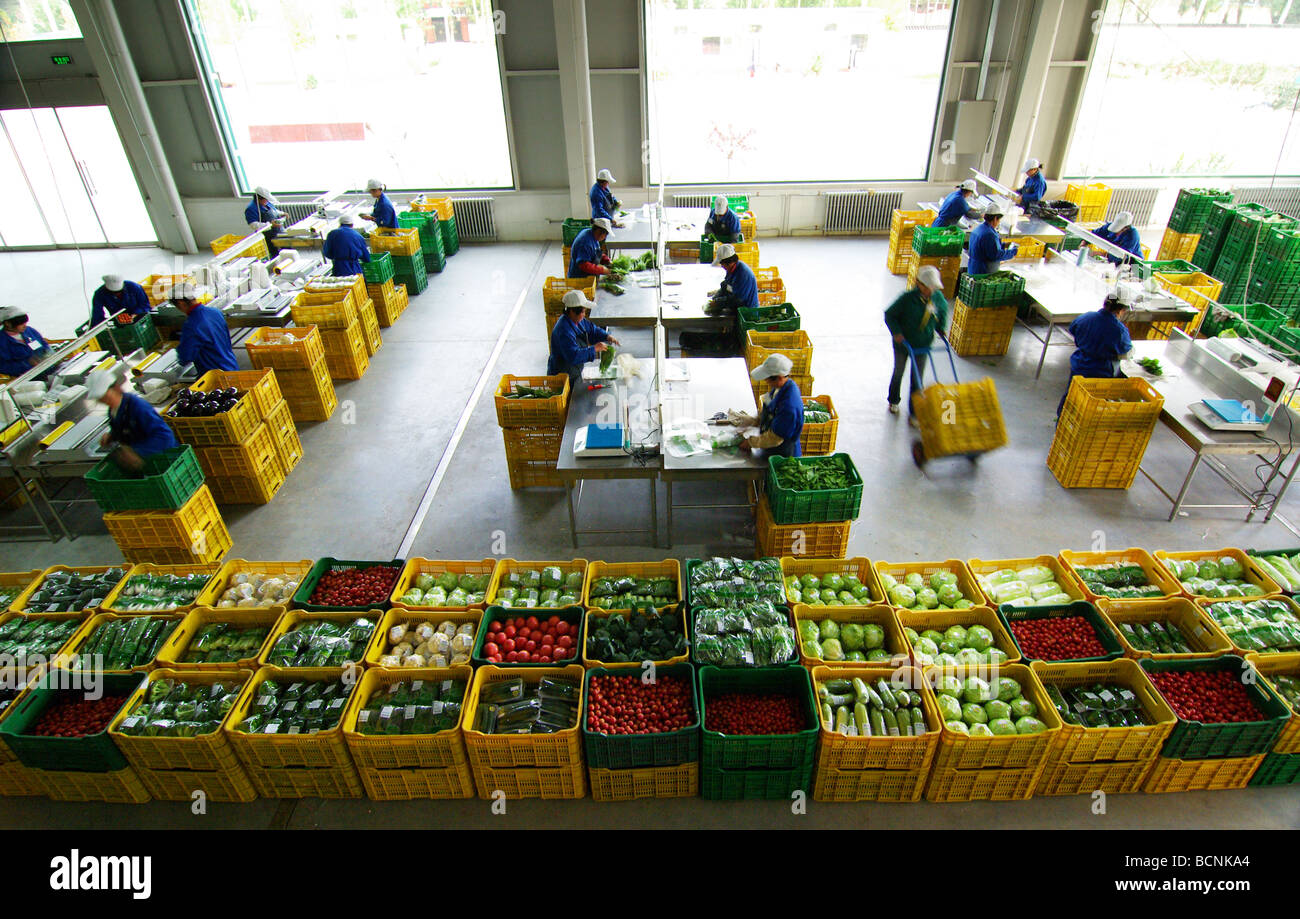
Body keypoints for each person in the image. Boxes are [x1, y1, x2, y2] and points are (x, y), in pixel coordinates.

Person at [884, 265, 949, 425]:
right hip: (903, 344)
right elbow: (890, 315)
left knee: (917, 379)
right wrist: (896, 332)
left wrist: (941, 328)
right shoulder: (907, 299)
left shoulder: (938, 298)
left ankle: (914, 413)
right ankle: (894, 400)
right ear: (918, 283)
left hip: (922, 345)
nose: (930, 290)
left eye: (933, 287)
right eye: (927, 287)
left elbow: (943, 312)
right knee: (899, 372)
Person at [87, 368, 177, 474]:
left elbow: (164, 436)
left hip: (166, 463)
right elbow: (125, 428)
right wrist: (112, 436)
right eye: (100, 398)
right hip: (145, 466)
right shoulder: (113, 410)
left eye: (104, 396)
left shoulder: (138, 407)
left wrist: (138, 453)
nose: (103, 401)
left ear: (115, 389)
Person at [1057, 295, 1133, 417]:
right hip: (1101, 371)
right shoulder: (1119, 330)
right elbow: (1125, 349)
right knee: (1094, 402)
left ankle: (1063, 419)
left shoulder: (1086, 317)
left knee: (1071, 394)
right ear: (1120, 311)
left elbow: (1072, 329)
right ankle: (1087, 421)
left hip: (1079, 364)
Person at [731, 354, 804, 457]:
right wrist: (754, 420)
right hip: (770, 447)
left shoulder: (789, 407)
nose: (766, 381)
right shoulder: (780, 388)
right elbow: (770, 408)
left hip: (782, 454)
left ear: (778, 378)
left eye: (767, 379)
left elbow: (775, 438)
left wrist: (751, 442)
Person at [546, 290, 620, 387]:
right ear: (572, 311)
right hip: (563, 376)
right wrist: (594, 349)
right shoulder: (564, 331)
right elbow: (574, 356)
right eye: (583, 312)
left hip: (573, 371)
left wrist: (606, 336)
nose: (584, 315)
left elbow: (592, 330)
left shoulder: (577, 320)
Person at [171, 282, 238, 374]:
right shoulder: (215, 312)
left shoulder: (192, 325)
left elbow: (186, 356)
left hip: (215, 375)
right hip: (231, 365)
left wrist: (180, 355)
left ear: (181, 303)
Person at [706, 244, 759, 315]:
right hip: (737, 307)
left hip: (746, 312)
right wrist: (716, 297)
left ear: (729, 263)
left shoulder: (743, 274)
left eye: (722, 264)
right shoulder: (733, 269)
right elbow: (726, 286)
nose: (722, 267)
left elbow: (738, 300)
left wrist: (718, 303)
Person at [0, 305, 50, 377]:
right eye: (20, 323)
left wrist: (47, 354)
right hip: (27, 378)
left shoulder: (30, 331)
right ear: (8, 324)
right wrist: (27, 364)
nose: (25, 326)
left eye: (25, 322)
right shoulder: (2, 341)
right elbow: (3, 366)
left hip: (48, 368)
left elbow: (44, 345)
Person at [967, 204, 1018, 275]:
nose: (999, 222)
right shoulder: (989, 234)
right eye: (999, 219)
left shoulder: (979, 228)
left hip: (974, 268)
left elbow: (986, 248)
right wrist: (1014, 252)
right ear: (995, 218)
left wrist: (1003, 245)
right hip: (983, 272)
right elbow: (995, 255)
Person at [244, 185, 285, 255]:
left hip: (278, 232)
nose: (267, 201)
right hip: (268, 237)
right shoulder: (251, 209)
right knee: (275, 253)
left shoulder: (266, 203)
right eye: (265, 200)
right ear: (259, 199)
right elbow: (253, 225)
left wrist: (282, 213)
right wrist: (270, 224)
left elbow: (274, 211)